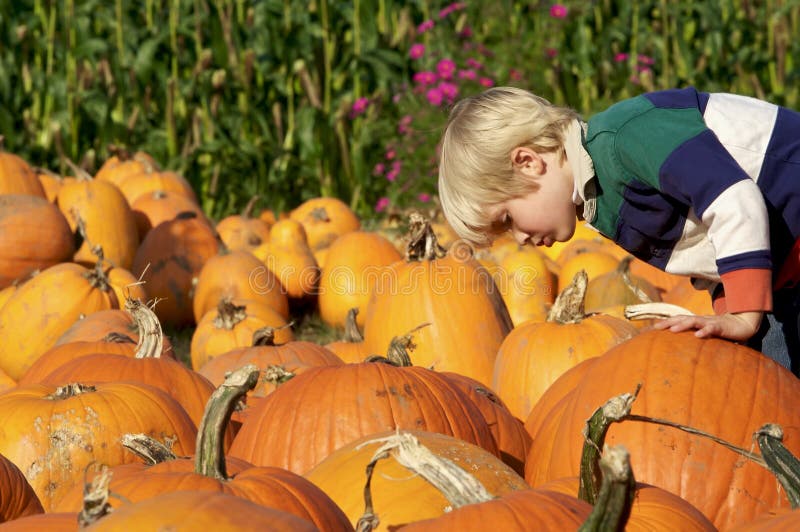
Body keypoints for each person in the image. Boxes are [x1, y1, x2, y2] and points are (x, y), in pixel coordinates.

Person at [438, 85, 800, 374]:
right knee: (770, 386)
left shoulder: (629, 137)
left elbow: (733, 200)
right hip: (785, 267)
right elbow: (707, 250)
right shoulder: (600, 201)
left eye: (507, 220)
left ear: (529, 163)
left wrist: (743, 313)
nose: (519, 239)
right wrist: (727, 315)